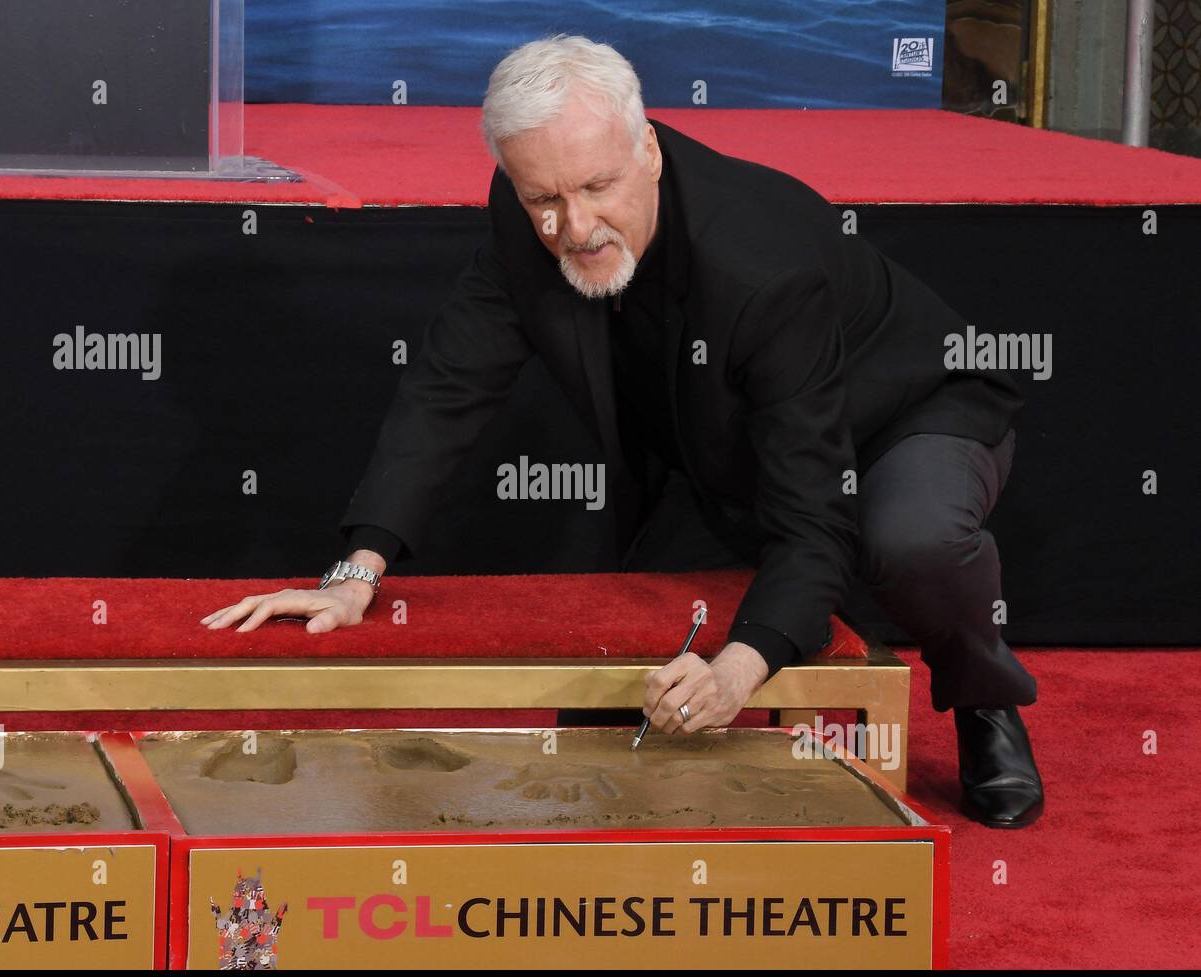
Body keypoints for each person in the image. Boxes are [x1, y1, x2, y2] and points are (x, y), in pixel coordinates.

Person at [202, 35, 1043, 828]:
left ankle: (981, 693)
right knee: (620, 670)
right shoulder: (533, 200)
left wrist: (739, 672)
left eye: (597, 188)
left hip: (906, 410)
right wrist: (358, 569)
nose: (573, 227)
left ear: (648, 149)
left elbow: (818, 517)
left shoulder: (762, 265)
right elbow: (449, 386)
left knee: (907, 540)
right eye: (544, 199)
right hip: (727, 437)